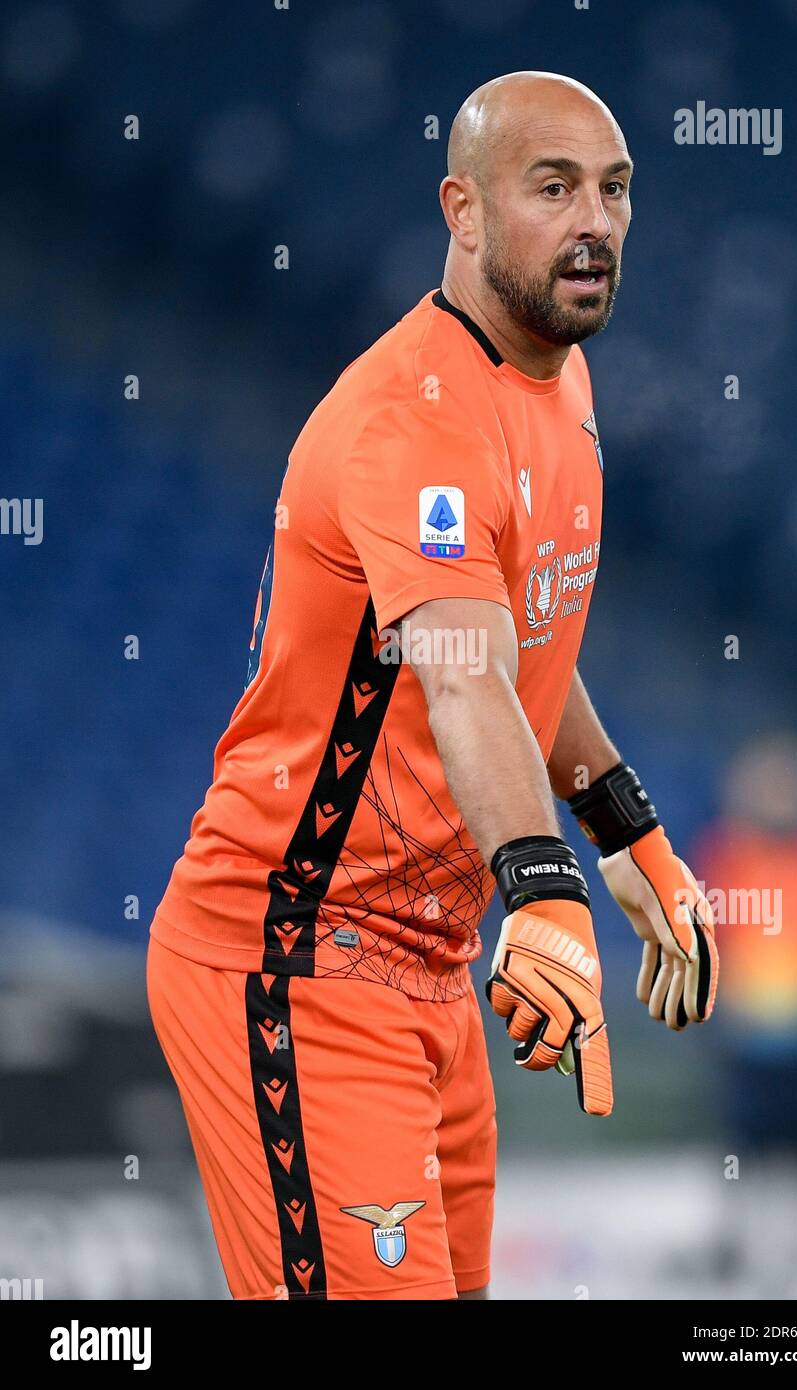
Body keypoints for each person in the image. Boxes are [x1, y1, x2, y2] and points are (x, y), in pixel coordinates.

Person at [147, 70, 718, 1302]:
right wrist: (546, 883)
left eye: (615, 191)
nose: (597, 223)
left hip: (428, 963)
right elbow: (461, 677)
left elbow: (519, 655)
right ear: (461, 210)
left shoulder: (559, 379)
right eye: (553, 187)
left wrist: (625, 824)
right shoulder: (416, 419)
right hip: (295, 953)